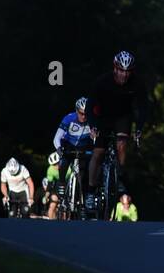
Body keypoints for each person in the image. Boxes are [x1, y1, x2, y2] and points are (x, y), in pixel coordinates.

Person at [88, 51, 141, 200]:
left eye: (127, 71)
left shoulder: (136, 83)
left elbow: (143, 106)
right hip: (103, 117)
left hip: (123, 117)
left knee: (121, 144)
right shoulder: (102, 81)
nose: (124, 75)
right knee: (98, 152)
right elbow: (90, 105)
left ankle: (120, 175)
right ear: (115, 68)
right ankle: (91, 190)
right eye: (121, 71)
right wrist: (92, 126)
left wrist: (139, 127)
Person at [52, 96, 95, 208]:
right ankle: (62, 183)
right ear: (76, 111)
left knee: (84, 172)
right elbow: (57, 138)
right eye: (81, 113)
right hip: (69, 144)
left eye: (86, 114)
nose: (84, 116)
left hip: (83, 147)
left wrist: (94, 137)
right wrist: (59, 149)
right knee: (64, 161)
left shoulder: (92, 120)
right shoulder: (68, 118)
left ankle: (83, 199)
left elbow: (95, 140)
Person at [42, 151, 61, 219]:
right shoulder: (50, 170)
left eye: (57, 163)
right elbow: (49, 185)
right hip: (57, 184)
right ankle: (51, 222)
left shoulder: (68, 168)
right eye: (54, 164)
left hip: (67, 182)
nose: (56, 166)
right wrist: (46, 196)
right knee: (52, 204)